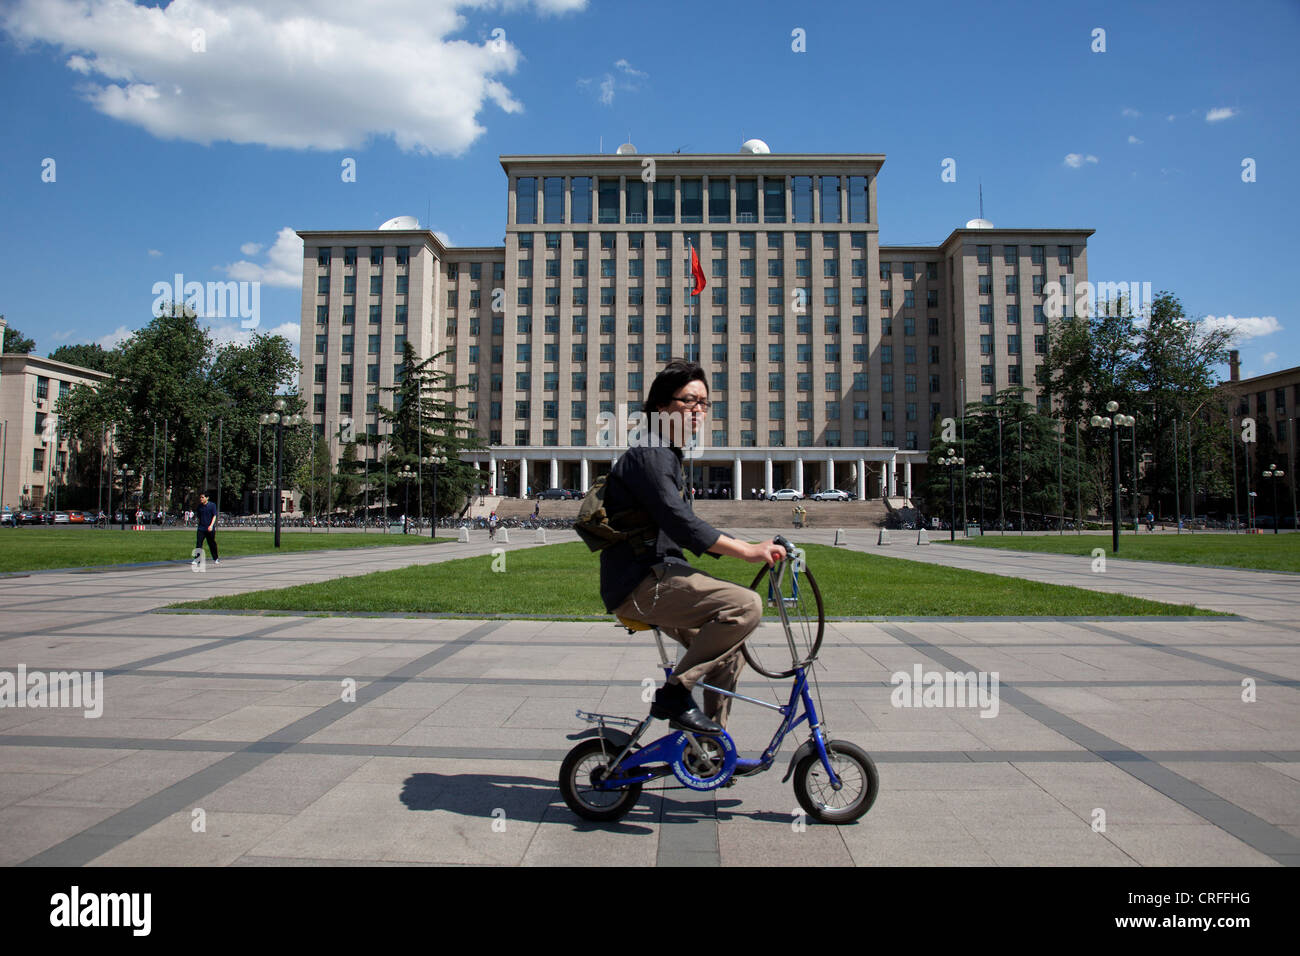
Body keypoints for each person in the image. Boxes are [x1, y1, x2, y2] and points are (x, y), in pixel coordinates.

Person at [600, 360, 785, 736]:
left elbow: (684, 524)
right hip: (640, 581)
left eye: (704, 403)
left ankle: (709, 750)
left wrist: (746, 544)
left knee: (728, 656)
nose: (699, 410)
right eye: (689, 401)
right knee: (745, 605)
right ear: (661, 408)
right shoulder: (649, 454)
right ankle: (674, 695)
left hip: (662, 575)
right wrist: (748, 551)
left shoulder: (666, 455)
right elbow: (681, 524)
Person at [196, 491, 219, 565]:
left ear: (207, 498)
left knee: (212, 543)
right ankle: (197, 559)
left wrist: (211, 525)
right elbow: (199, 516)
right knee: (199, 544)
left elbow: (214, 516)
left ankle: (215, 558)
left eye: (202, 497)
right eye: (200, 497)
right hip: (201, 528)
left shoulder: (212, 505)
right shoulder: (199, 506)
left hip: (209, 528)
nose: (201, 499)